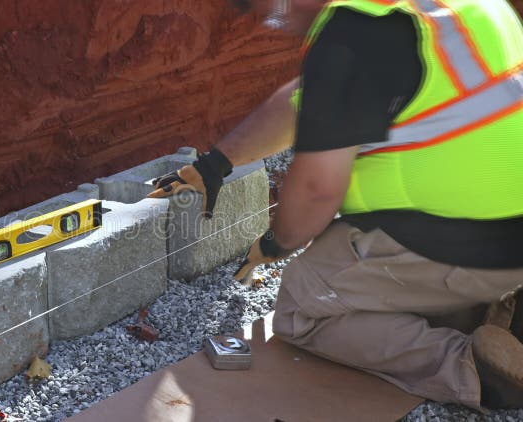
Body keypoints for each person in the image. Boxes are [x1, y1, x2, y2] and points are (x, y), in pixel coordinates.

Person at [149, 0, 523, 410]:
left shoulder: (354, 29)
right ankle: (494, 306)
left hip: (473, 243)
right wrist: (216, 165)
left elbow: (316, 192)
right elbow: (309, 101)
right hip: (506, 234)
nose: (277, 17)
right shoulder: (428, 13)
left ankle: (473, 370)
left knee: (304, 307)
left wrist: (277, 244)